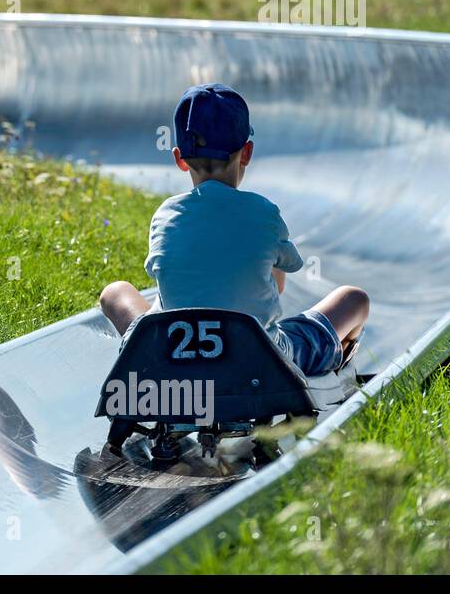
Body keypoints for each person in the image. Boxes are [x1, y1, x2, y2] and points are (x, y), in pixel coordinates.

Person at [99, 83, 368, 376]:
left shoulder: (165, 214)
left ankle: (145, 356)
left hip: (175, 357)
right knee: (354, 299)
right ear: (247, 152)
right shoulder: (264, 213)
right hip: (265, 362)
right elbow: (277, 286)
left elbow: (165, 279)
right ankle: (338, 377)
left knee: (115, 292)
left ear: (179, 159)